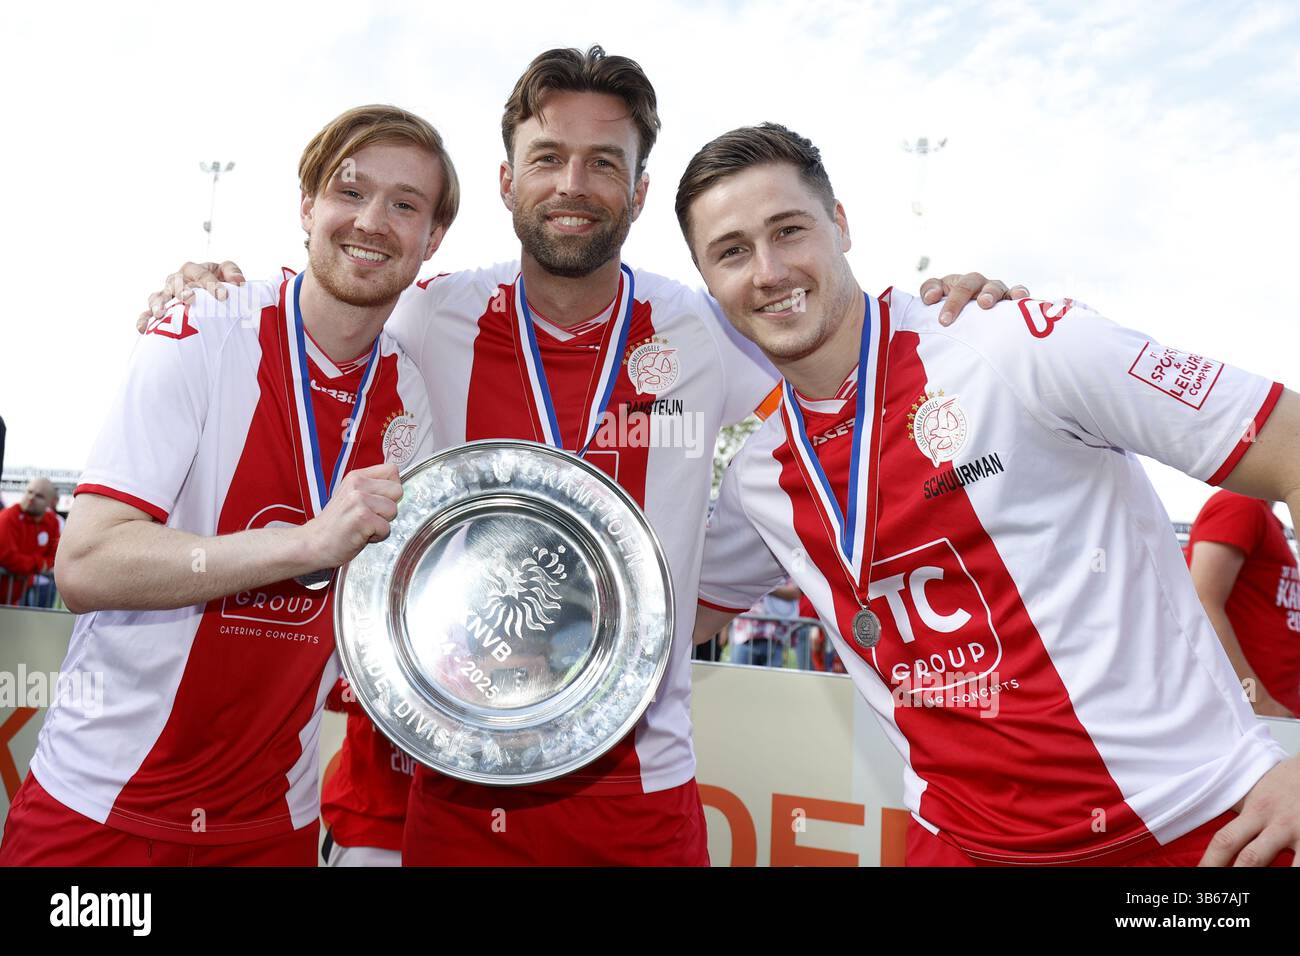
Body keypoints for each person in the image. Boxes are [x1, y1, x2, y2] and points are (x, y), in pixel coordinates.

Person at [143, 48, 1030, 866]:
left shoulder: (707, 328)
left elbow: (858, 363)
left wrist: (961, 315)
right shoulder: (427, 317)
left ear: (640, 190)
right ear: (506, 179)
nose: (575, 184)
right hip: (443, 785)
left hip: (637, 796)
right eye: (549, 157)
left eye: (605, 162)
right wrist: (208, 288)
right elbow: (317, 316)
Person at [684, 123, 1300, 866]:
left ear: (841, 225)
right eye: (732, 251)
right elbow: (673, 621)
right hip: (959, 849)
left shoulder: (1014, 345)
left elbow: (1292, 447)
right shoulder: (758, 475)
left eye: (790, 230)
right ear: (707, 280)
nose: (771, 269)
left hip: (1193, 833)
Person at [0, 104, 453, 866]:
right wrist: (302, 545)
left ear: (431, 238)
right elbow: (84, 567)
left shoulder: (412, 396)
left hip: (269, 825)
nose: (373, 221)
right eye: (349, 191)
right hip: (104, 808)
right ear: (306, 206)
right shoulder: (204, 326)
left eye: (405, 205)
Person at [1189, 490, 1300, 718]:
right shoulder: (1241, 504)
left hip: (1272, 714)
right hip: (1250, 717)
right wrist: (1259, 703)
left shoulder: (1265, 518)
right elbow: (1202, 603)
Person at [0, 477, 60, 606]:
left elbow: (55, 556)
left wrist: (33, 565)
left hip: (16, 596)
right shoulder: (8, 517)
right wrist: (40, 564)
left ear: (50, 502)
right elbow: (7, 558)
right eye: (29, 491)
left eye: (39, 496)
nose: (31, 497)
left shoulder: (52, 522)